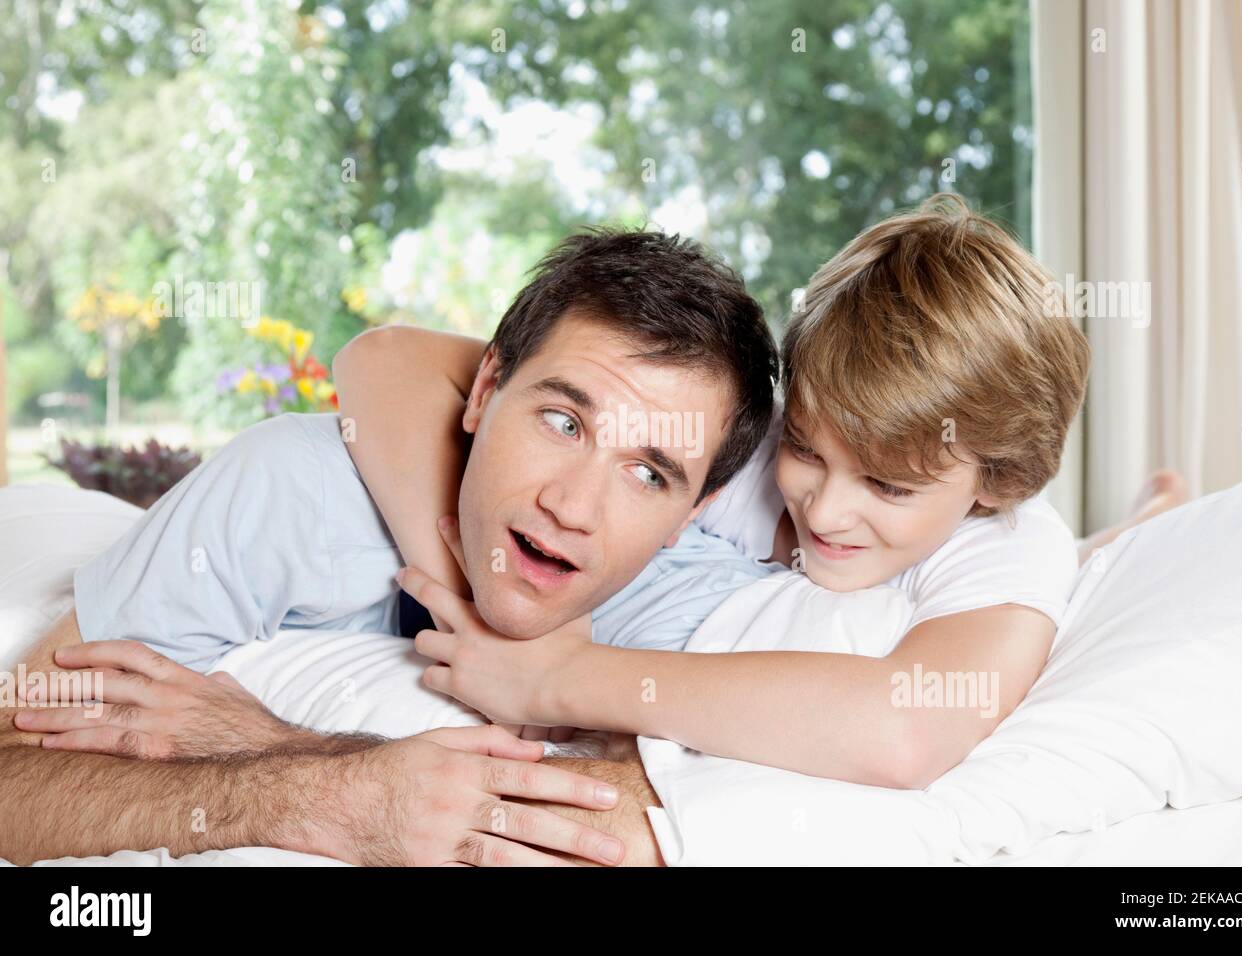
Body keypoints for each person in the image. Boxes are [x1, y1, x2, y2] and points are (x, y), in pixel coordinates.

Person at [339, 196, 1189, 787]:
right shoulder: (758, 442)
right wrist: (481, 604)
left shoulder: (1007, 539)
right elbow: (379, 360)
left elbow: (904, 731)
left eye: (887, 485)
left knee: (1072, 575)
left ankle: (1137, 525)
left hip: (1034, 553)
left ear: (993, 484)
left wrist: (560, 677)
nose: (824, 509)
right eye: (810, 453)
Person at [0, 229, 780, 866]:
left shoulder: (706, 613)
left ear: (692, 513)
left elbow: (697, 823)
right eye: (563, 422)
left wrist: (278, 750)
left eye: (648, 473)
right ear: (483, 392)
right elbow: (12, 772)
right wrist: (294, 796)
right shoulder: (289, 490)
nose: (571, 507)